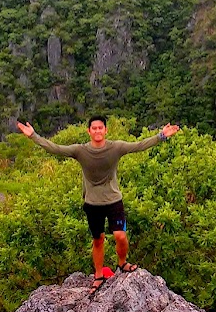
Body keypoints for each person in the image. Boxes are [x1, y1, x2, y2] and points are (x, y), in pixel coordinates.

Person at [16, 115, 179, 297]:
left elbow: (139, 146)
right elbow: (56, 149)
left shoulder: (116, 147)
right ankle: (99, 275)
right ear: (89, 131)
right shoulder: (81, 151)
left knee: (120, 236)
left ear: (105, 130)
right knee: (98, 240)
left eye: (100, 128)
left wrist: (161, 136)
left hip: (113, 200)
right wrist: (33, 136)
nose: (97, 131)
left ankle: (122, 262)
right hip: (92, 203)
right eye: (94, 128)